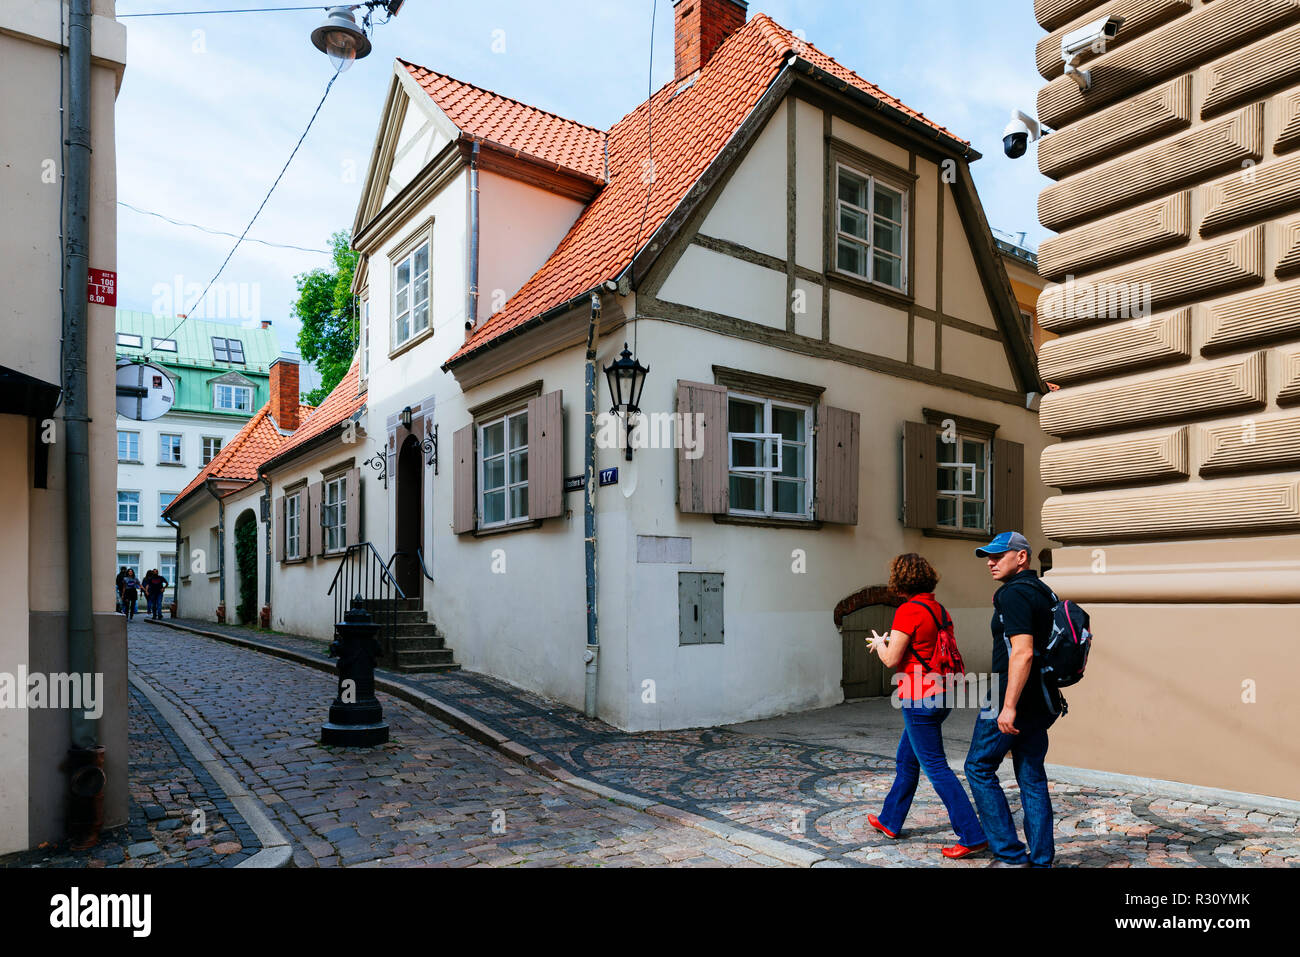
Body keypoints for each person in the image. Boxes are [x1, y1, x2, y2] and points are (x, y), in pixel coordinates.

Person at [864, 553, 988, 860]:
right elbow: (928, 647)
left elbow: (893, 659)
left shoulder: (907, 611)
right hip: (942, 695)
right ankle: (891, 820)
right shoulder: (938, 609)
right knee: (907, 759)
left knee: (936, 767)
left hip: (919, 697)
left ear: (900, 580)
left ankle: (972, 836)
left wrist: (881, 644)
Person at [963, 531, 1060, 868]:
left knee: (977, 767)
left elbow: (1023, 652)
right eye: (988, 557)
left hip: (1012, 698)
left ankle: (1010, 854)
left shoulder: (1014, 593)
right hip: (1043, 700)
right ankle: (1042, 859)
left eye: (998, 556)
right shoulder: (1044, 591)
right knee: (1031, 776)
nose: (991, 562)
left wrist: (1008, 706)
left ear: (1021, 557)